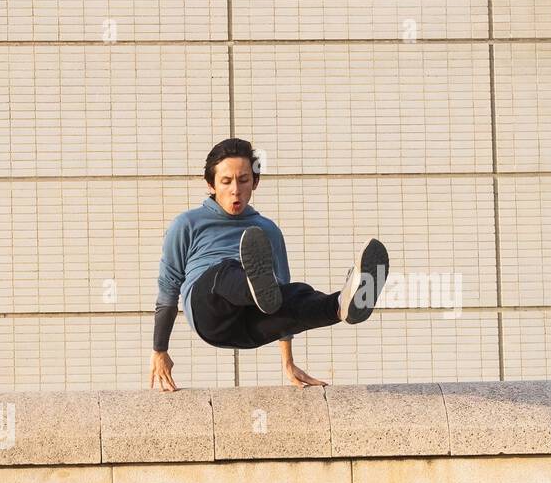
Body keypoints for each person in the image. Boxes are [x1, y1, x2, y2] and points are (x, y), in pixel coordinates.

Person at [151, 137, 390, 389]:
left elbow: (282, 294)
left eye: (243, 180)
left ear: (255, 182)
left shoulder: (268, 230)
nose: (235, 190)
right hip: (210, 313)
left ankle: (340, 304)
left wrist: (288, 363)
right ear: (210, 185)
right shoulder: (187, 224)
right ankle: (249, 285)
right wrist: (160, 349)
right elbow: (169, 288)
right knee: (223, 272)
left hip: (249, 329)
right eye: (226, 181)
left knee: (296, 294)